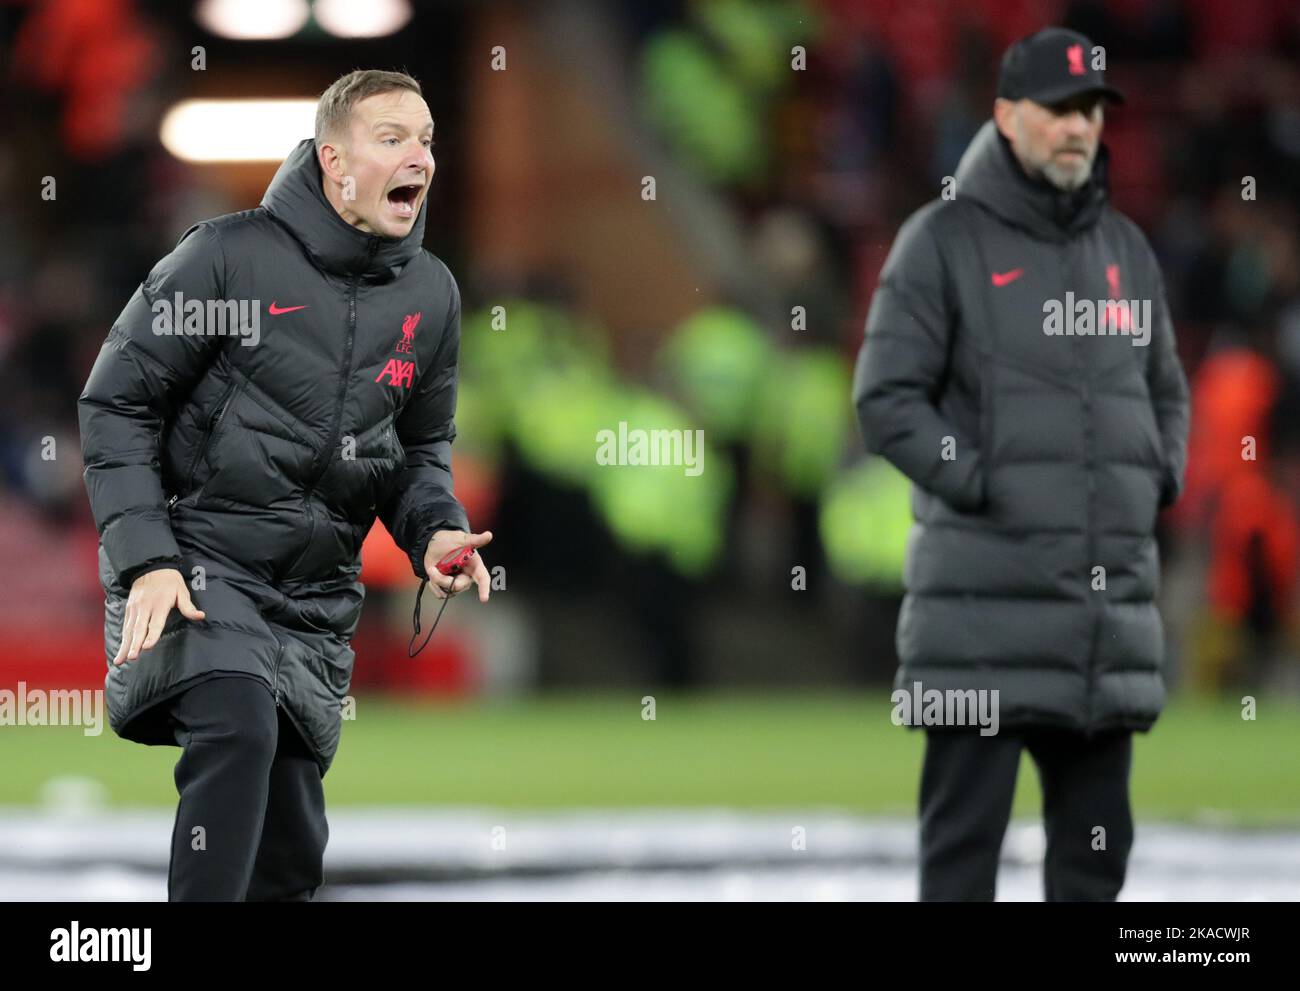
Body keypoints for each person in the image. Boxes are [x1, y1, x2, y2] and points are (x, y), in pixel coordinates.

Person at [77, 69, 492, 901]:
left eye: (428, 140)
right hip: (198, 568)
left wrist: (436, 528)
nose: (421, 157)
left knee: (291, 834)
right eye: (393, 139)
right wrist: (147, 557)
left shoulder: (432, 296)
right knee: (238, 727)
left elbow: (417, 450)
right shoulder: (225, 257)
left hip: (312, 598)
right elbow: (116, 403)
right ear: (334, 163)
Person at [852, 28, 1190, 900]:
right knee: (962, 865)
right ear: (1005, 115)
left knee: (1095, 868)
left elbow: (1167, 395)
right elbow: (886, 397)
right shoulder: (942, 240)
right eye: (1058, 109)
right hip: (981, 626)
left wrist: (1156, 476)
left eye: (1091, 111)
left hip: (1099, 628)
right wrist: (983, 480)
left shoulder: (1127, 252)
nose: (1079, 127)